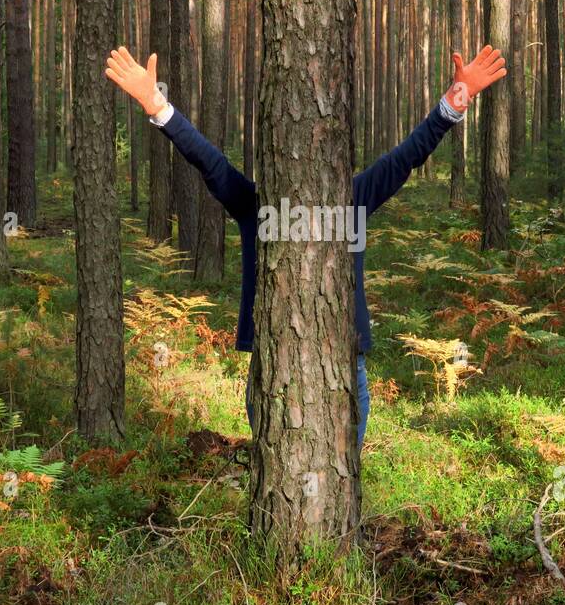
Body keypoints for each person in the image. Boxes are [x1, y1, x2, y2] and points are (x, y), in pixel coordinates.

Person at [105, 45, 507, 445]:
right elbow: (208, 161)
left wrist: (455, 101)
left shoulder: (354, 199)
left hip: (345, 367)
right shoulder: (254, 205)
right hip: (272, 363)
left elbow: (407, 156)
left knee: (341, 480)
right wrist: (157, 105)